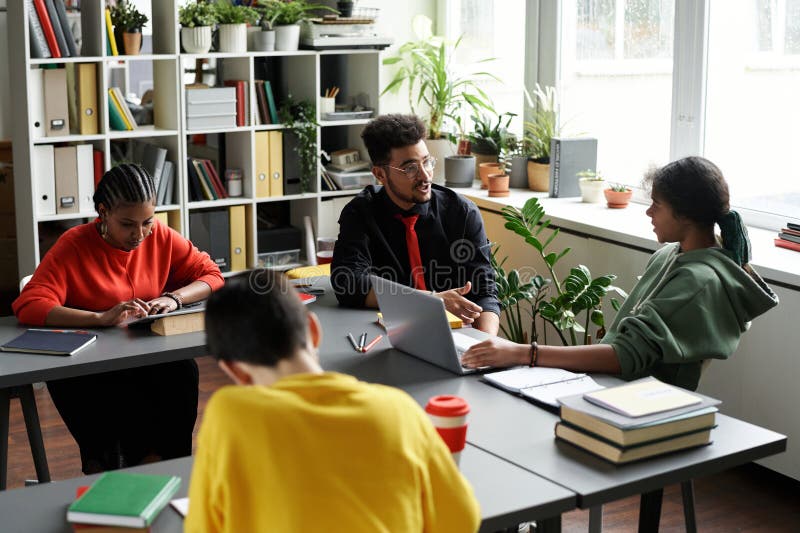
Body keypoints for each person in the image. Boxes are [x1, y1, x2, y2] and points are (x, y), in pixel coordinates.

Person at [186, 270, 481, 532]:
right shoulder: (400, 409)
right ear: (314, 331)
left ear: (233, 370)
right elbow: (462, 519)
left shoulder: (231, 415)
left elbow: (202, 526)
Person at [462, 156, 779, 391]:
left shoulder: (699, 282)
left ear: (685, 214)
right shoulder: (670, 255)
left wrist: (521, 353)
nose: (649, 212)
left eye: (657, 204)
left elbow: (625, 356)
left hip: (636, 400)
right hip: (610, 385)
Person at [13, 163, 224, 473]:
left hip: (143, 357)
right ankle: (115, 471)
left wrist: (173, 297)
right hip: (89, 366)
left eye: (147, 222)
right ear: (103, 212)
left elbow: (211, 275)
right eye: (127, 224)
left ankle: (166, 466)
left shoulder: (160, 236)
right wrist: (97, 317)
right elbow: (29, 304)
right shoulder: (73, 245)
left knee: (181, 371)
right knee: (110, 395)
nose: (139, 234)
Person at [331, 114, 500, 334]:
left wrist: (485, 346)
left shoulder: (462, 213)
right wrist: (432, 300)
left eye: (427, 162)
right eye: (410, 168)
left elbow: (485, 291)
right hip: (389, 331)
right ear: (380, 174)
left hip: (457, 333)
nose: (425, 175)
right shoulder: (361, 212)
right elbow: (348, 283)